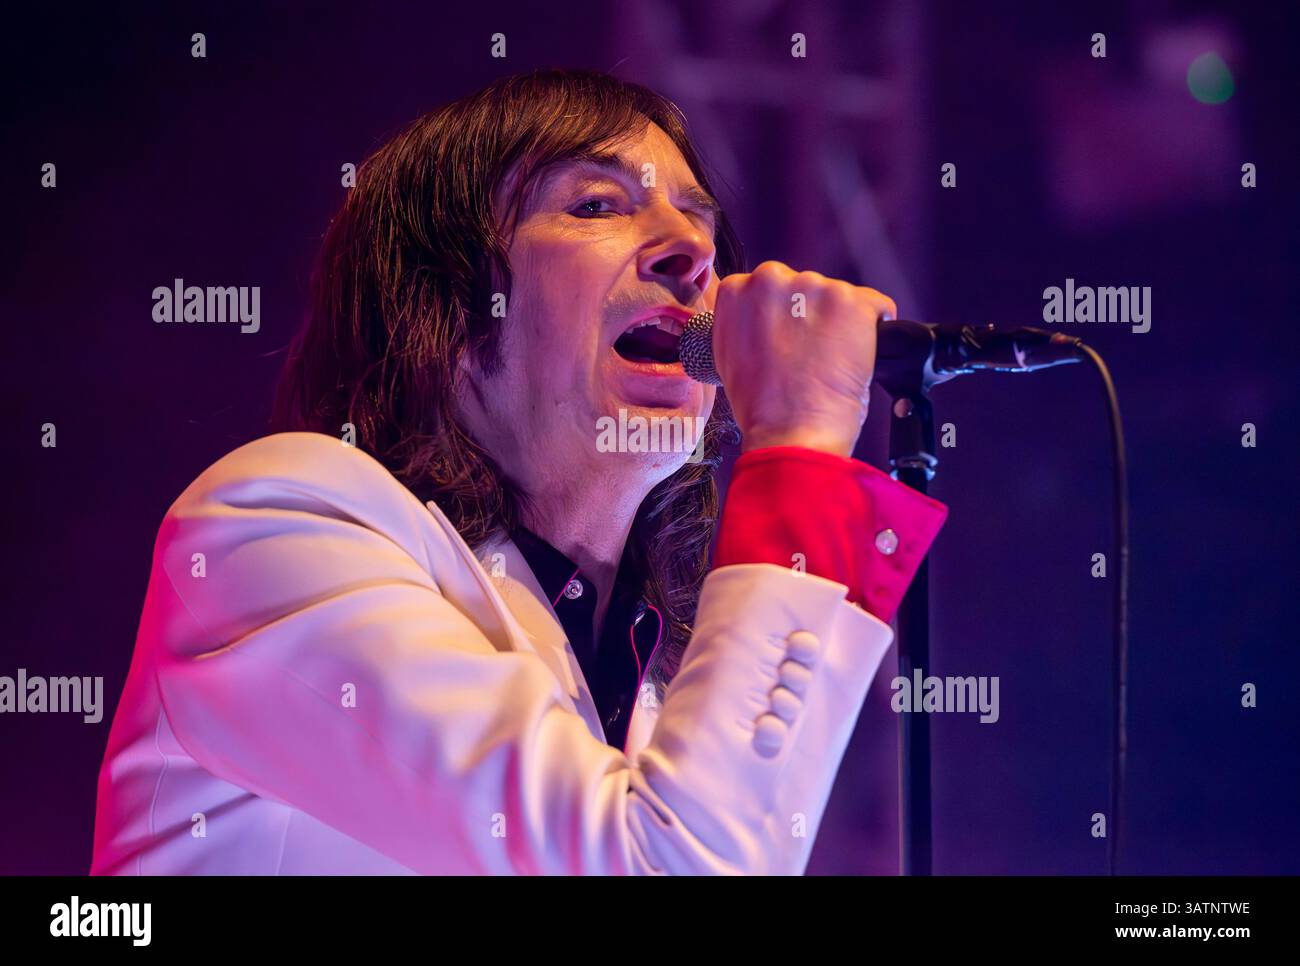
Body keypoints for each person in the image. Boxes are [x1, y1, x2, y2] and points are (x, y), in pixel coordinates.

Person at [90, 68, 947, 875]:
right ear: (446, 313)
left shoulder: (661, 680)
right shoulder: (278, 528)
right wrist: (798, 443)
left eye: (701, 220)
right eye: (596, 204)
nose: (691, 251)